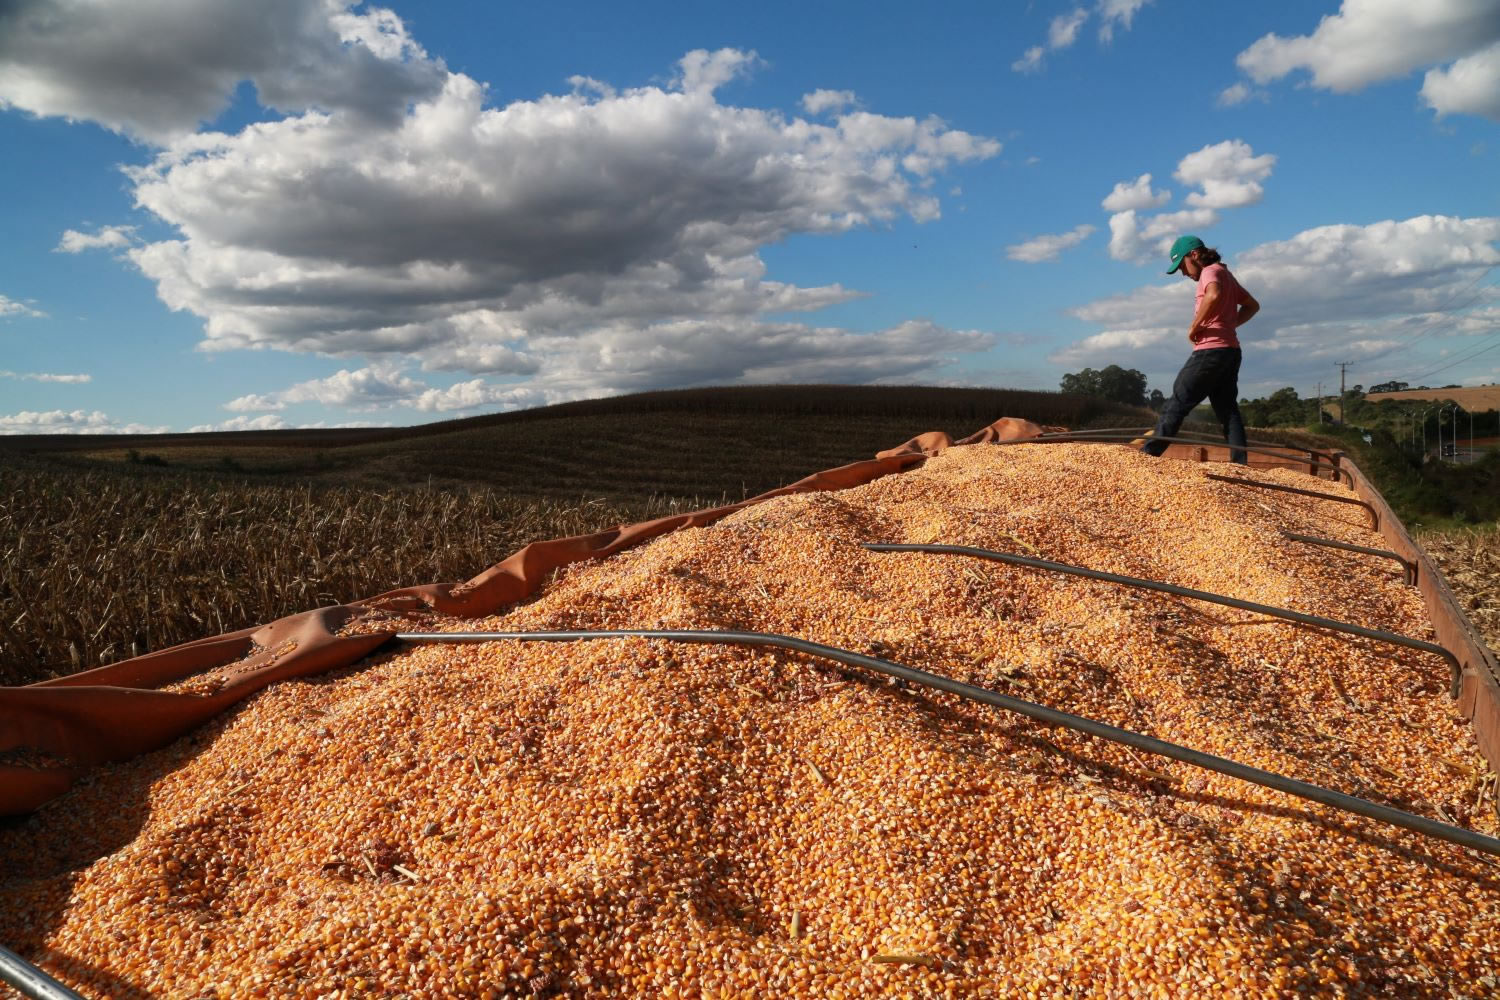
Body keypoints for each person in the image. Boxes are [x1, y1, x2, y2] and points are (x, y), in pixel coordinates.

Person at [1140, 235, 1259, 464]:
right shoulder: (1227, 274)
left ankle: (1148, 456)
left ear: (1194, 255)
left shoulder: (1210, 271)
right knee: (1227, 409)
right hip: (1231, 351)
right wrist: (1228, 325)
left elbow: (1213, 294)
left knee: (1177, 402)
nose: (1183, 273)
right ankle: (1240, 464)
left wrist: (1195, 326)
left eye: (1182, 266)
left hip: (1210, 352)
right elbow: (1252, 306)